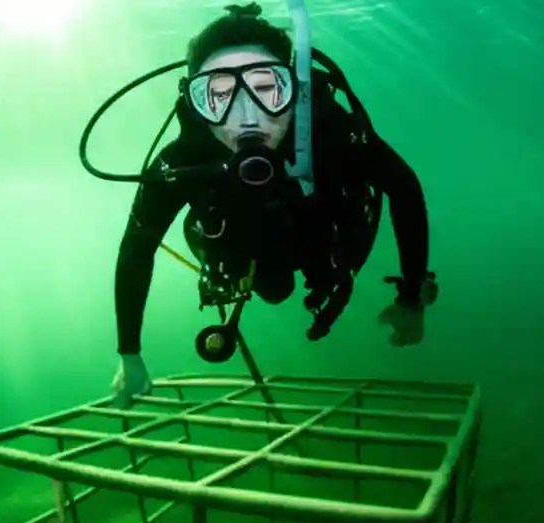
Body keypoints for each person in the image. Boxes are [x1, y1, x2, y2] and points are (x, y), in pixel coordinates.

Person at [109, 3, 434, 407]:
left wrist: (412, 295)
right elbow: (138, 248)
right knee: (272, 287)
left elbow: (403, 187)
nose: (247, 117)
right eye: (220, 95)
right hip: (236, 249)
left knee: (285, 280)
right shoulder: (185, 159)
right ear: (197, 105)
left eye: (265, 88)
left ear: (294, 88)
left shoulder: (329, 131)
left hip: (321, 241)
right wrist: (130, 353)